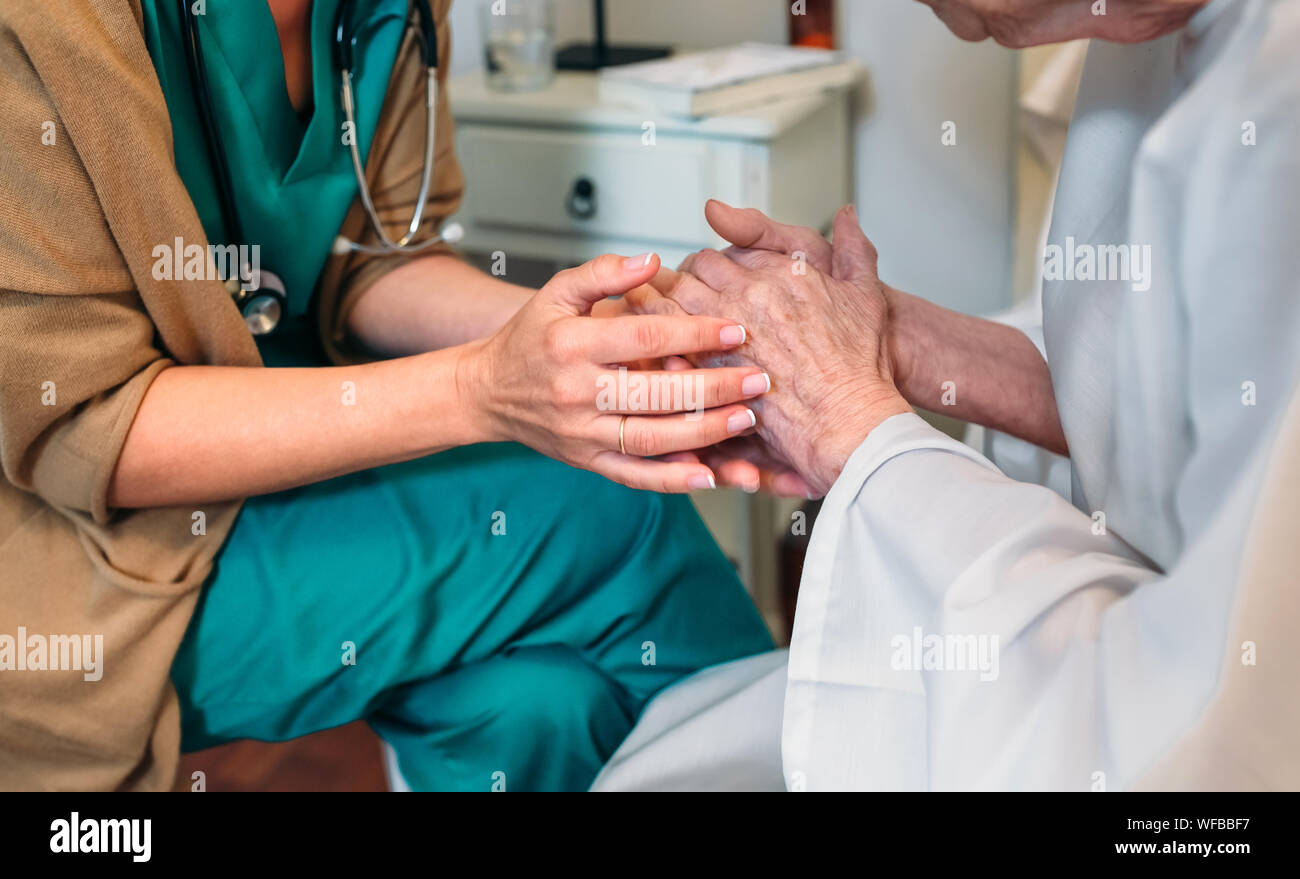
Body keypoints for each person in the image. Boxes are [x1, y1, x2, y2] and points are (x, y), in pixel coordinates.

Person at [0, 0, 778, 791]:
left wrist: (583, 346)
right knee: (610, 504)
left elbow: (372, 260)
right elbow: (85, 427)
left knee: (531, 707)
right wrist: (480, 389)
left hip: (310, 454)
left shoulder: (399, 10)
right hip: (80, 549)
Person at [598, 0, 1300, 790]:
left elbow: (1203, 744)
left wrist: (845, 417)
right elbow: (1134, 388)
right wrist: (874, 336)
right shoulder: (1154, 33)